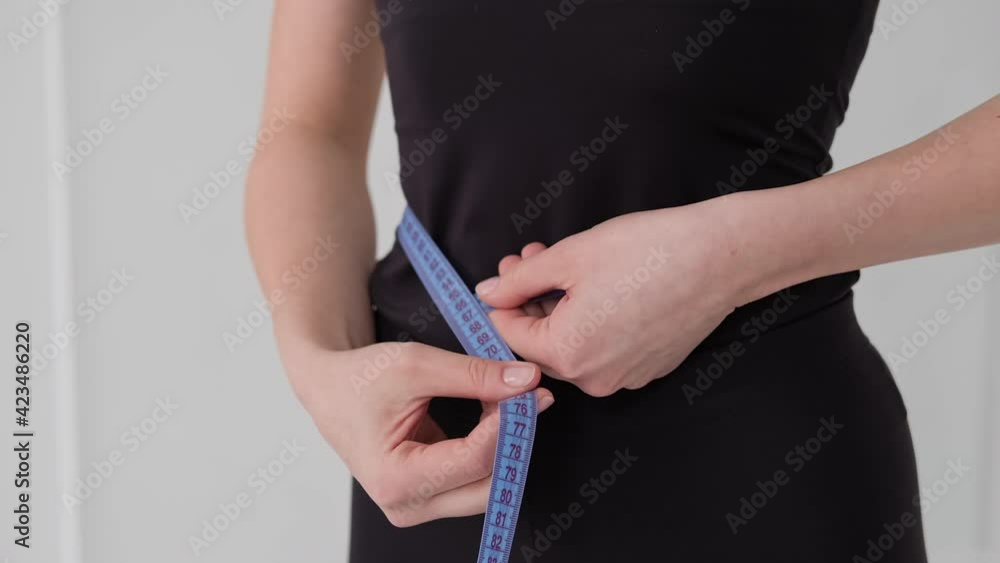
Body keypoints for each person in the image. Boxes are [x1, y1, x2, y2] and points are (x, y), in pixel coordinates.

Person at [244, 0, 999, 560]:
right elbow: (309, 129)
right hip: (427, 471)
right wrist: (321, 366)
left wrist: (732, 254)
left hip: (755, 475)